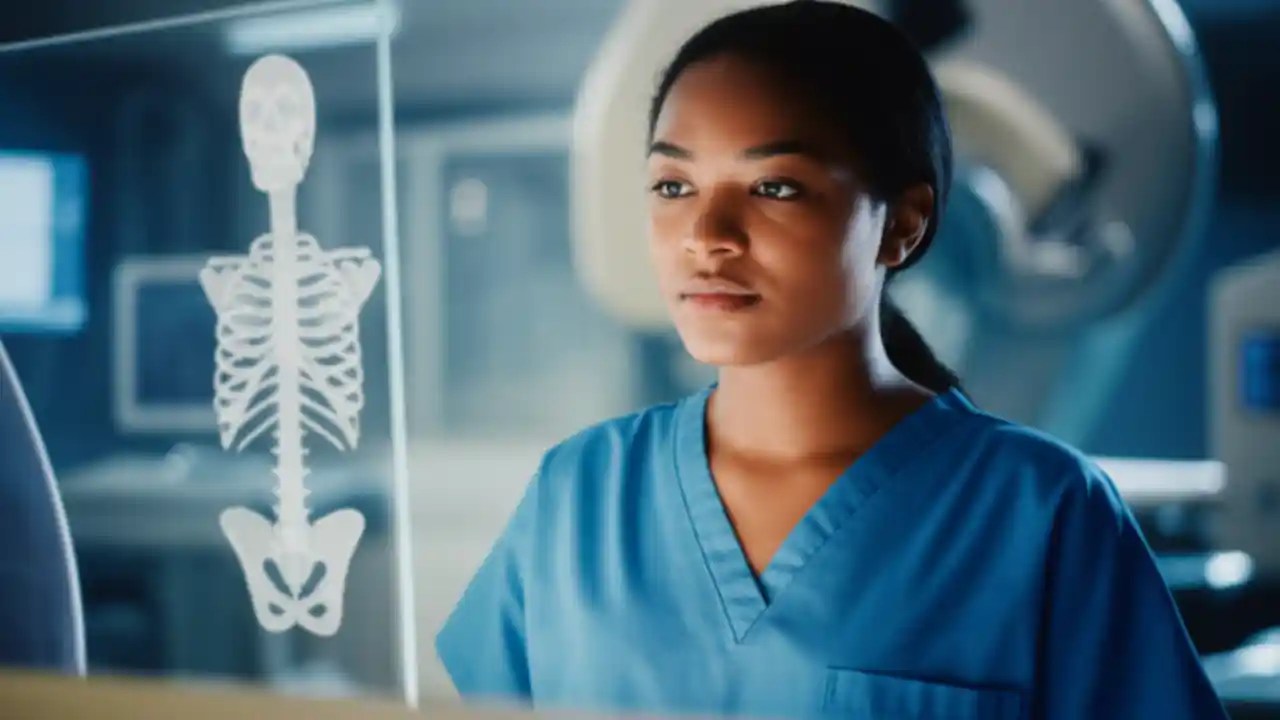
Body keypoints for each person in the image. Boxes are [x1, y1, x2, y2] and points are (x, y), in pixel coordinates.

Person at [435, 2, 1229, 718]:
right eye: (673, 185)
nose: (707, 234)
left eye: (774, 187)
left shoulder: (1041, 515)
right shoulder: (579, 499)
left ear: (903, 225)